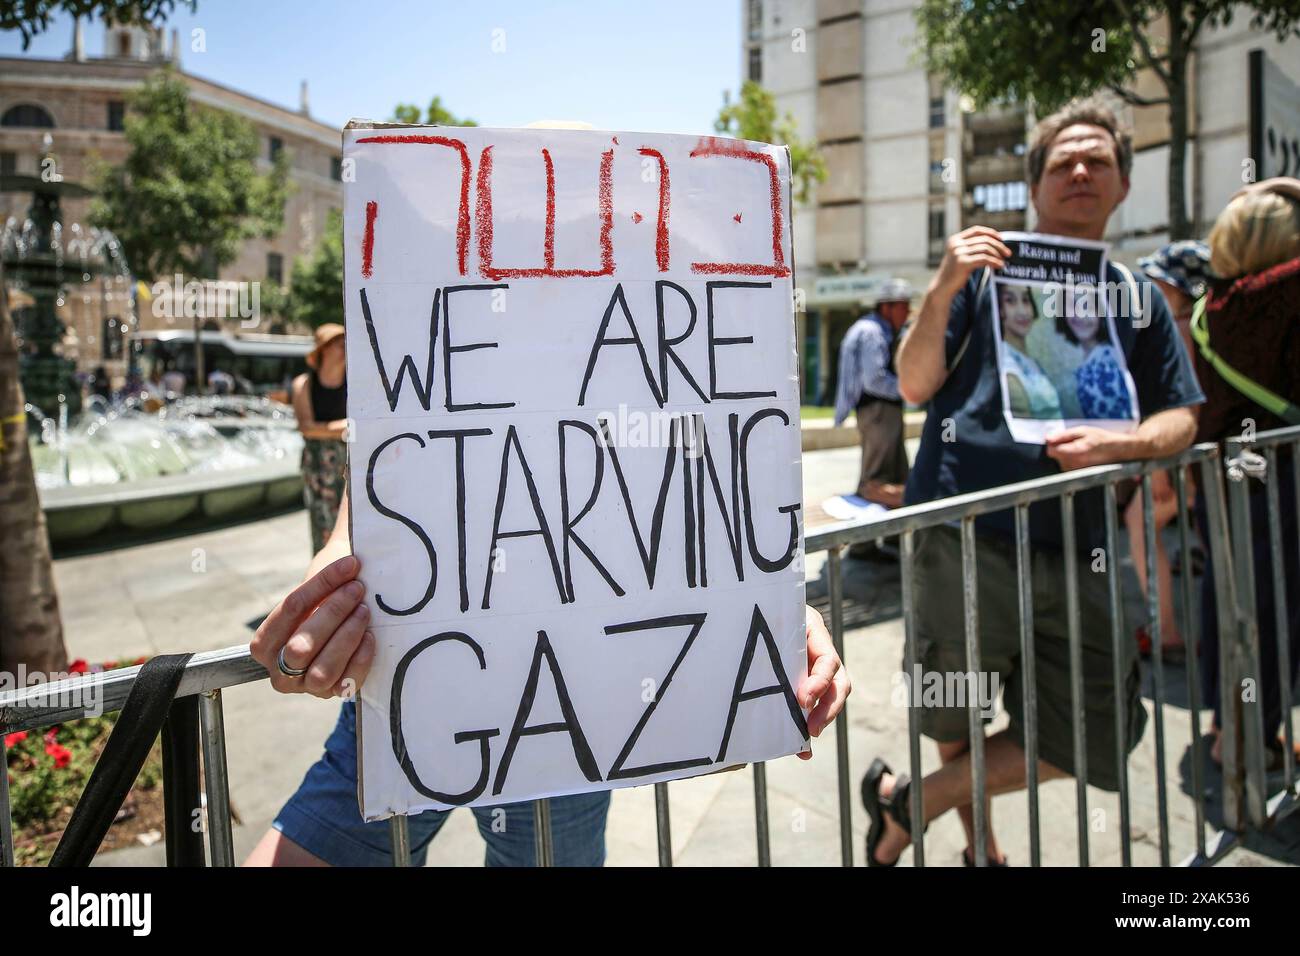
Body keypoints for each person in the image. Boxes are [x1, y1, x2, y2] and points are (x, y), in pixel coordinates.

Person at [865, 98, 1203, 867]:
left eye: (1098, 161)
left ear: (1121, 185)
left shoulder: (1137, 296)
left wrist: (1130, 442)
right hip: (961, 531)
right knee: (953, 707)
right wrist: (945, 284)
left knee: (1095, 728)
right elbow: (914, 384)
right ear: (1035, 186)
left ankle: (907, 803)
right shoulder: (980, 280)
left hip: (1079, 543)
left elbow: (1182, 417)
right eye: (1062, 163)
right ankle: (978, 850)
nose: (1080, 171)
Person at [244, 493, 852, 866]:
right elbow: (355, 527)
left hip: (566, 732)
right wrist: (323, 605)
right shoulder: (416, 313)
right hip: (408, 708)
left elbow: (705, 504)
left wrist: (763, 611)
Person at [1192, 176, 1300, 772]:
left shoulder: (1214, 304)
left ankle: (1232, 726)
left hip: (1228, 474)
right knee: (1276, 606)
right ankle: (1250, 737)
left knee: (1234, 598)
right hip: (1279, 475)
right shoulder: (1285, 291)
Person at [1128, 241, 1215, 661]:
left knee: (1143, 526)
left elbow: (1185, 407)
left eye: (1157, 279)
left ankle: (1166, 632)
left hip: (1183, 461)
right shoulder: (1207, 322)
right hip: (1206, 461)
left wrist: (1161, 468)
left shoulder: (1178, 330)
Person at [833, 280, 912, 509]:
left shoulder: (881, 329)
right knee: (876, 482)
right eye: (902, 306)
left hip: (884, 410)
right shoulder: (873, 332)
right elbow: (874, 380)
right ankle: (866, 542)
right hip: (879, 411)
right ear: (886, 307)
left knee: (894, 475)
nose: (906, 312)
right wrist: (909, 388)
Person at [293, 323, 349, 553]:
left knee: (351, 527)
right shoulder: (304, 384)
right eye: (338, 343)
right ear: (324, 349)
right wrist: (345, 427)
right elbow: (306, 428)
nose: (345, 347)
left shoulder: (354, 382)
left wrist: (326, 428)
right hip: (318, 468)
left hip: (348, 464)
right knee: (323, 526)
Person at [996, 283, 1062, 419]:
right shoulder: (1006, 364)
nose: (1022, 312)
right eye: (1010, 301)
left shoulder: (1031, 361)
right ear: (1000, 310)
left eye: (1026, 300)